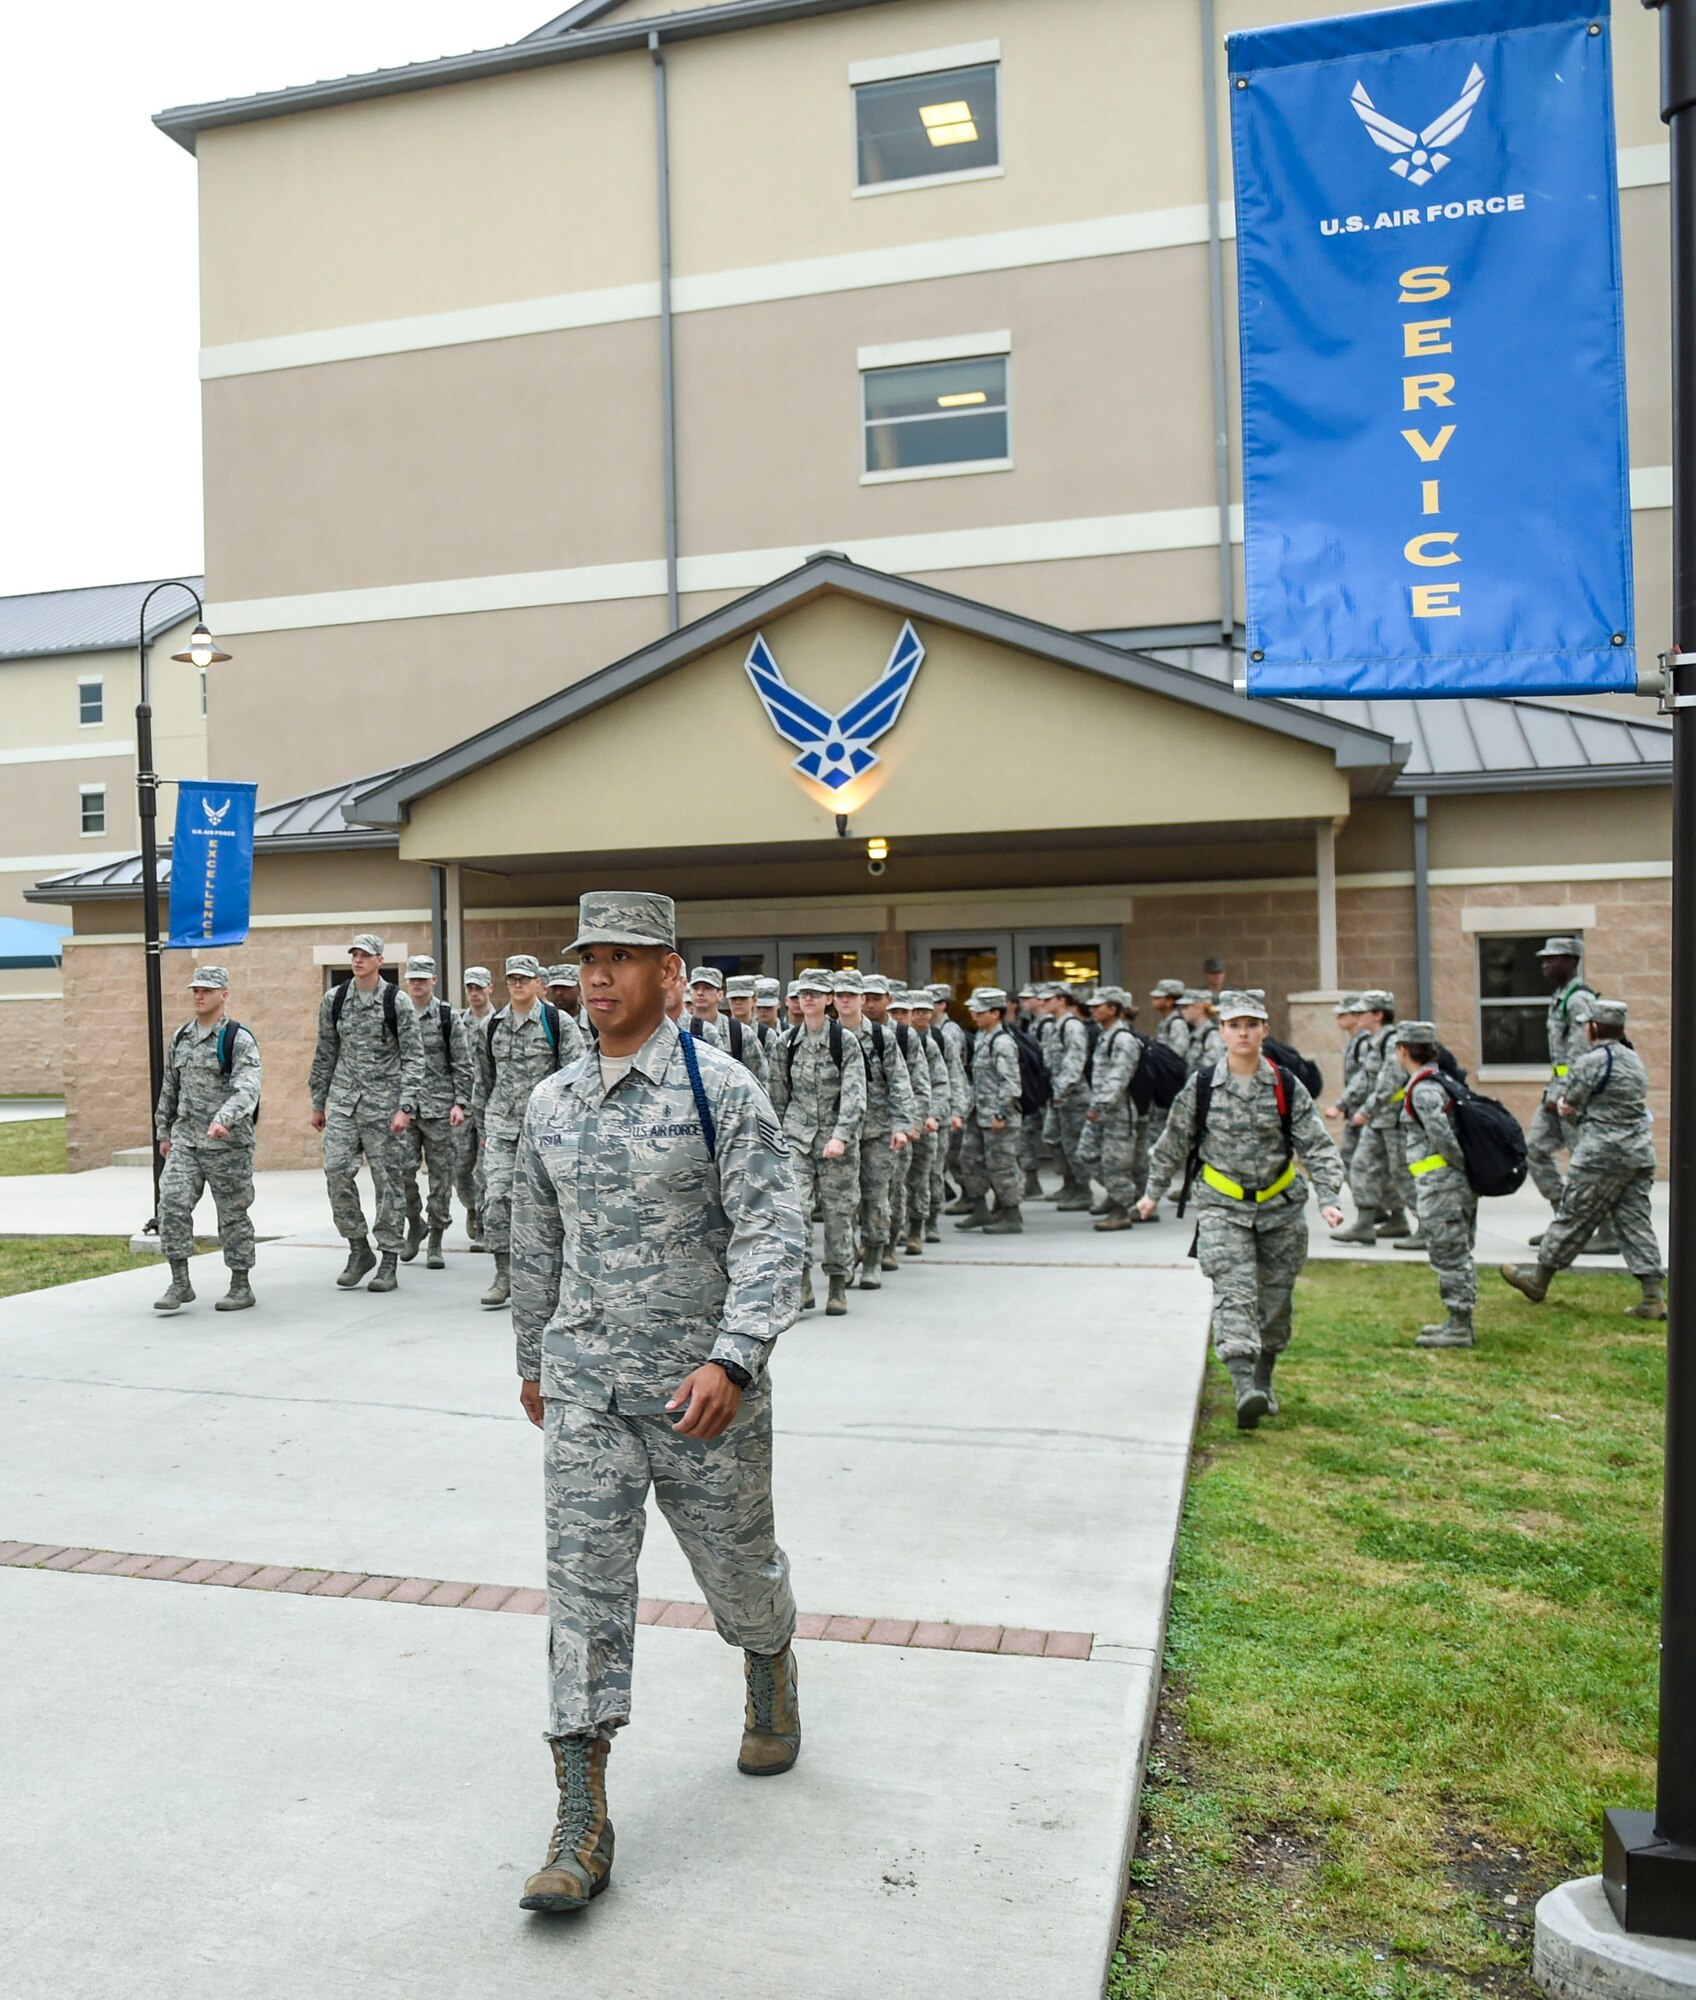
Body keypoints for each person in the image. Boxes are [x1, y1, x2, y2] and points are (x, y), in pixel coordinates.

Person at [511, 890, 804, 1914]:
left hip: (701, 1396)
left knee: (738, 1572)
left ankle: (768, 1654)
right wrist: (532, 1358)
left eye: (623, 958)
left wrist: (735, 1358)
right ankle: (580, 1819)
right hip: (588, 1385)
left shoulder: (721, 1091)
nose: (598, 976)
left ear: (670, 975)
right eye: (588, 957)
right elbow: (535, 1237)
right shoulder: (551, 1101)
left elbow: (775, 1230)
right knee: (583, 1594)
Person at [1138, 990, 1345, 1427]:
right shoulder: (1201, 1087)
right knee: (1235, 1295)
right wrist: (1152, 1192)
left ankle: (1264, 1380)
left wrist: (1329, 1198)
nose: (1243, 1032)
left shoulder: (1287, 1084)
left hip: (1280, 1208)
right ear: (1222, 1032)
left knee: (1274, 1302)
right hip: (1221, 1207)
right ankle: (1242, 1386)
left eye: (1252, 1024)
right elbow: (1173, 1143)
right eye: (1235, 1025)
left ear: (1265, 1030)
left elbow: (1319, 1146)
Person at [1501, 998, 1665, 1319]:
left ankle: (1538, 1279)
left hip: (1600, 1155)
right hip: (1639, 1154)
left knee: (1572, 1215)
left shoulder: (1592, 1061)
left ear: (1592, 1028)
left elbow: (1569, 1103)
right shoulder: (1634, 1060)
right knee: (1635, 1220)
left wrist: (1568, 1109)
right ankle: (1652, 1297)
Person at [308, 933, 425, 1293]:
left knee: (387, 1183)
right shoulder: (336, 999)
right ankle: (358, 1247)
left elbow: (414, 1056)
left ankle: (389, 1257)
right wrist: (318, 1100)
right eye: (354, 954)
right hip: (344, 1101)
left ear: (379, 960)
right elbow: (325, 1050)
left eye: (365, 955)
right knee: (335, 1172)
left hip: (384, 1104)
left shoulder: (397, 1002)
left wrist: (406, 1106)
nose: (358, 960)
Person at [473, 953, 587, 1309]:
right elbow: (483, 1080)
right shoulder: (491, 1026)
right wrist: (482, 1128)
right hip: (502, 1126)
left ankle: (558, 1275)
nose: (518, 984)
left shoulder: (558, 1022)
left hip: (548, 1130)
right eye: (512, 979)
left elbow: (576, 1078)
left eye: (525, 978)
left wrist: (571, 1128)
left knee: (554, 1205)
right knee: (496, 1199)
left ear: (538, 982)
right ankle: (504, 1273)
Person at [153, 965, 262, 1313]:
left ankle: (240, 1284)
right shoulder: (181, 1037)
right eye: (195, 990)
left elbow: (248, 1088)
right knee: (171, 1201)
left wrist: (223, 1120)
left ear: (224, 994)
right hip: (186, 1139)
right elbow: (170, 1087)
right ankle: (180, 1282)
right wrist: (163, 1131)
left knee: (232, 1214)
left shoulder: (237, 1039)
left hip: (227, 1144)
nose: (199, 995)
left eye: (207, 990)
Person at [768, 968, 867, 1315]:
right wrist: (777, 1140)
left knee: (839, 1214)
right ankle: (803, 1283)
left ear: (828, 1000)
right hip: (797, 1139)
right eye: (803, 993)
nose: (808, 999)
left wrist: (840, 1136)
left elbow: (855, 1096)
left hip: (835, 1142)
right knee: (795, 1213)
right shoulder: (786, 1043)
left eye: (816, 993)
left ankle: (838, 1282)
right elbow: (778, 1096)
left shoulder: (845, 1042)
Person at [1523, 935, 1619, 1254]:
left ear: (1572, 962)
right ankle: (1565, 1221)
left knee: (1585, 1162)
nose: (1545, 964)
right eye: (1544, 959)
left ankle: (1606, 1231)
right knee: (1534, 1149)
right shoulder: (1561, 996)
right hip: (1557, 1094)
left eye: (1554, 959)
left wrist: (1566, 1095)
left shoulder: (1578, 999)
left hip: (1573, 1099)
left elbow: (1581, 1053)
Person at [1390, 1022, 1478, 1348]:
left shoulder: (1424, 1089)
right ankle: (1458, 1320)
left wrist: (1457, 1170)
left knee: (1450, 1254)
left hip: (1443, 1185)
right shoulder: (1437, 1080)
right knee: (1455, 1252)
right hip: (1446, 1182)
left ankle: (1459, 1326)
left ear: (1402, 1051)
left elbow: (1443, 1137)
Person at [833, 971, 913, 1288]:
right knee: (840, 1201)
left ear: (862, 999)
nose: (846, 1000)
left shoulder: (881, 1037)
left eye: (852, 995)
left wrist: (902, 1124)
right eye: (840, 994)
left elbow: (899, 1082)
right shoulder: (829, 1035)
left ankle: (874, 1256)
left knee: (876, 1197)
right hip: (839, 1131)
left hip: (877, 1130)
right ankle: (847, 1252)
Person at [400, 955, 473, 1270]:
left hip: (441, 1108)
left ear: (433, 981)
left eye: (422, 978)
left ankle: (436, 1240)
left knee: (442, 1178)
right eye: (412, 978)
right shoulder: (396, 1013)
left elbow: (462, 1063)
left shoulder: (447, 1017)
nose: (417, 984)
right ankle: (415, 1222)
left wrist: (461, 1103)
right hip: (404, 1108)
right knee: (401, 1172)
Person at [1329, 990, 1404, 1245]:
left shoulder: (1391, 1042)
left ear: (1378, 1015)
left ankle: (1403, 1219)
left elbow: (1388, 1084)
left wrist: (1364, 1111)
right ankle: (1370, 1222)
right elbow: (1365, 1079)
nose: (1358, 1016)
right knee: (1363, 1165)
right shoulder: (1376, 1040)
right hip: (1379, 1118)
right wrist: (1343, 1104)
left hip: (1391, 1118)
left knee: (1397, 1172)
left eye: (1363, 1012)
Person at [954, 986, 1025, 1234]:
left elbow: (1011, 1083)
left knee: (1002, 1166)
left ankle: (1011, 1214)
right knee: (969, 1159)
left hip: (998, 1116)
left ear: (996, 1013)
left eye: (980, 1010)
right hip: (979, 1114)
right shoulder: (984, 1037)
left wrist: (1001, 1113)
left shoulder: (1002, 1042)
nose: (974, 1013)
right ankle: (980, 1208)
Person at [1079, 985, 1141, 1231]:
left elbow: (1118, 1077)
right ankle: (1122, 1194)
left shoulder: (1123, 1039)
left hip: (1117, 1112)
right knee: (1086, 1153)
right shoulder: (1105, 1035)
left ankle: (1122, 1209)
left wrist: (1099, 1105)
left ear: (1113, 1009)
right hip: (1101, 1109)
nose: (1092, 1009)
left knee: (1116, 1163)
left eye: (1098, 1006)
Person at [1042, 986, 1093, 1212]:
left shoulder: (1071, 1026)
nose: (1043, 1002)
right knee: (1053, 1138)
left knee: (1073, 1144)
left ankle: (1083, 1189)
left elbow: (1075, 1062)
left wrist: (1061, 1090)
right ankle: (1070, 1182)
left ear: (1062, 1000)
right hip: (1058, 1096)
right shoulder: (1056, 1025)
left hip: (1073, 1096)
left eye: (1048, 998)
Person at [456, 967, 496, 1248]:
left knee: (484, 1169)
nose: (474, 993)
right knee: (460, 1167)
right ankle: (470, 1206)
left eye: (479, 987)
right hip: (461, 1105)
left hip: (488, 1106)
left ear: (490, 988)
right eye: (470, 987)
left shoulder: (499, 1022)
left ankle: (483, 1225)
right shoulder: (458, 1022)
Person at [1323, 995, 1369, 1175]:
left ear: (1356, 1015)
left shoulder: (1365, 1043)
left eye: (1343, 1015)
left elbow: (1363, 1078)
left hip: (1365, 1111)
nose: (1338, 1019)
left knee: (1354, 1162)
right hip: (1357, 1111)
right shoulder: (1355, 1042)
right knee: (1351, 1161)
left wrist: (1339, 1105)